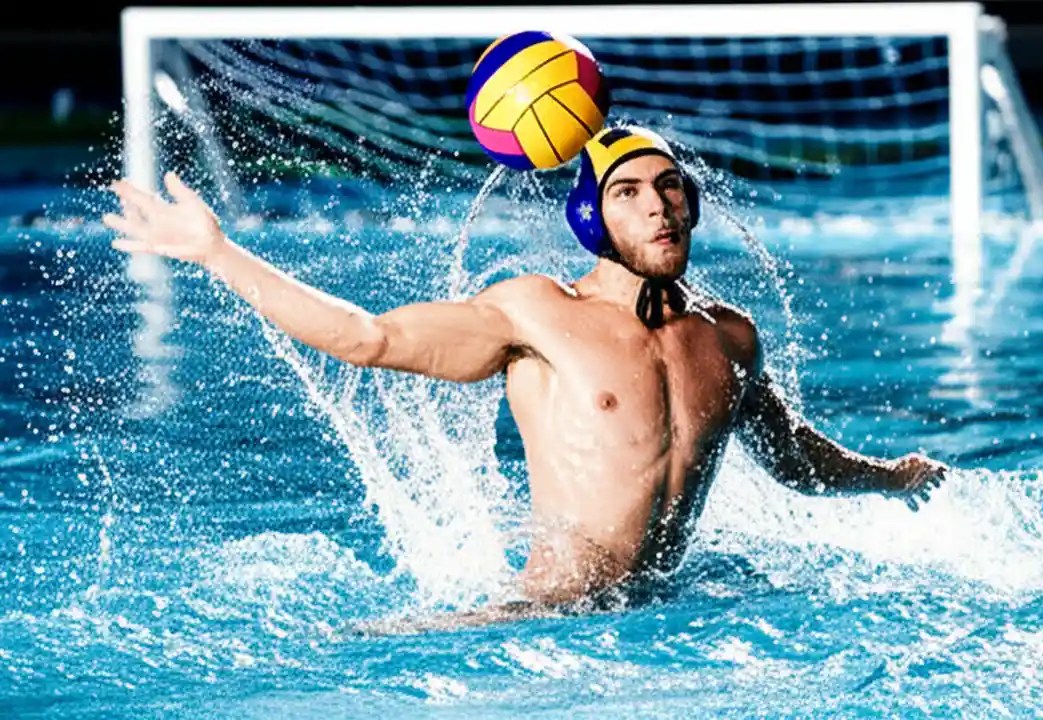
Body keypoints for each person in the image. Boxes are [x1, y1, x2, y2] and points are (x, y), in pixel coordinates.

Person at [102, 125, 948, 630]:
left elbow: (792, 455)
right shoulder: (538, 315)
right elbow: (365, 338)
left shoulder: (728, 338)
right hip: (542, 618)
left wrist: (890, 477)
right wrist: (217, 253)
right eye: (628, 192)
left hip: (669, 616)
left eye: (669, 187)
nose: (658, 206)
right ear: (591, 216)